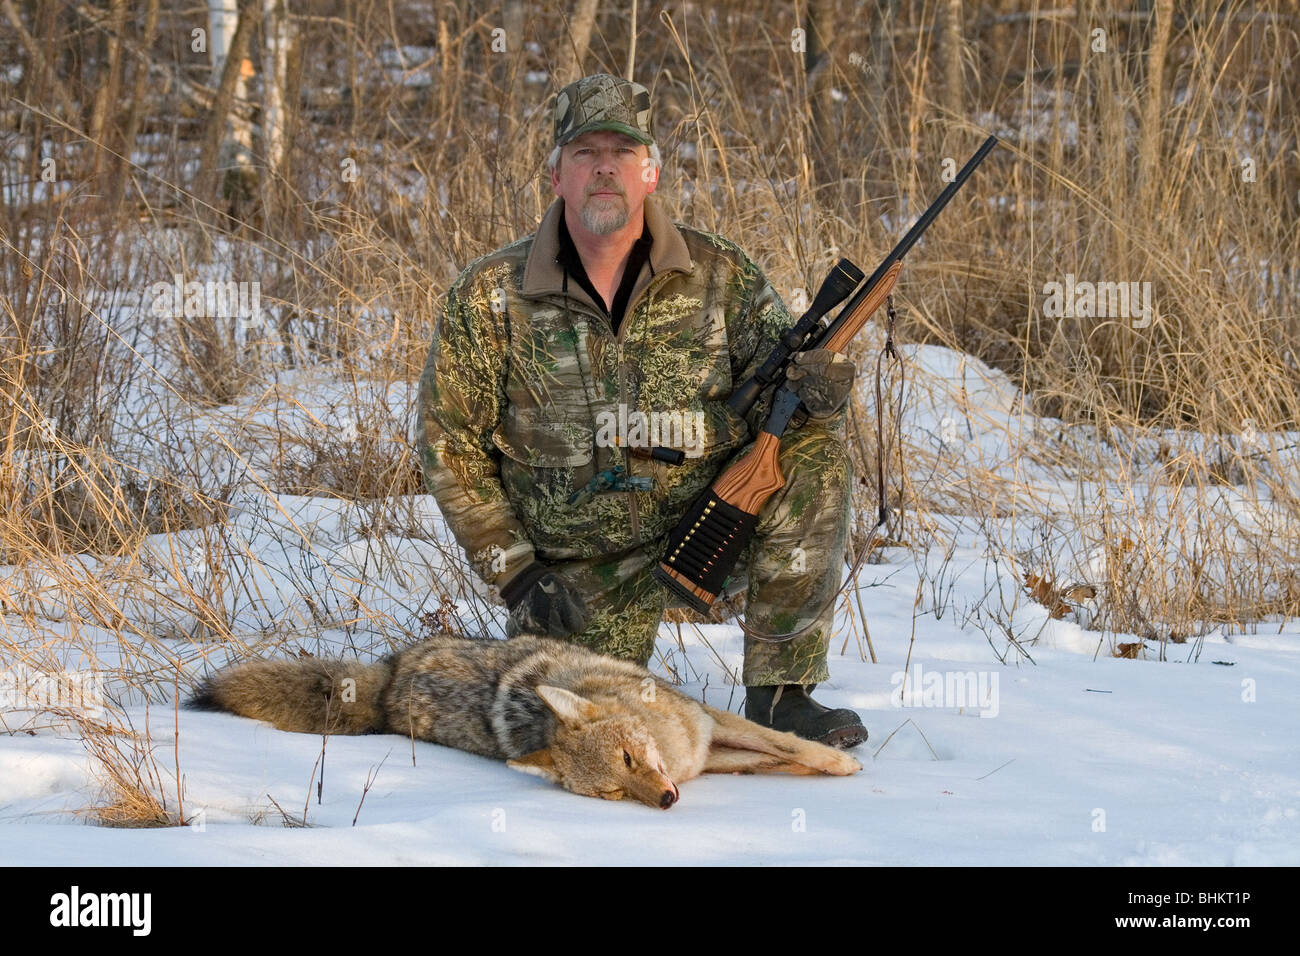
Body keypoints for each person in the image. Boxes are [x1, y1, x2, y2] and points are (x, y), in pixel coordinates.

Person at [417, 73, 867, 748]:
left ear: (650, 172)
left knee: (815, 460)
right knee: (584, 733)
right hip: (575, 568)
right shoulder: (488, 295)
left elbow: (789, 408)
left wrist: (823, 393)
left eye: (622, 152)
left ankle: (781, 694)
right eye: (584, 152)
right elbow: (448, 446)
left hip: (712, 525)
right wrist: (514, 573)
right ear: (556, 175)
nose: (604, 167)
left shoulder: (721, 275)